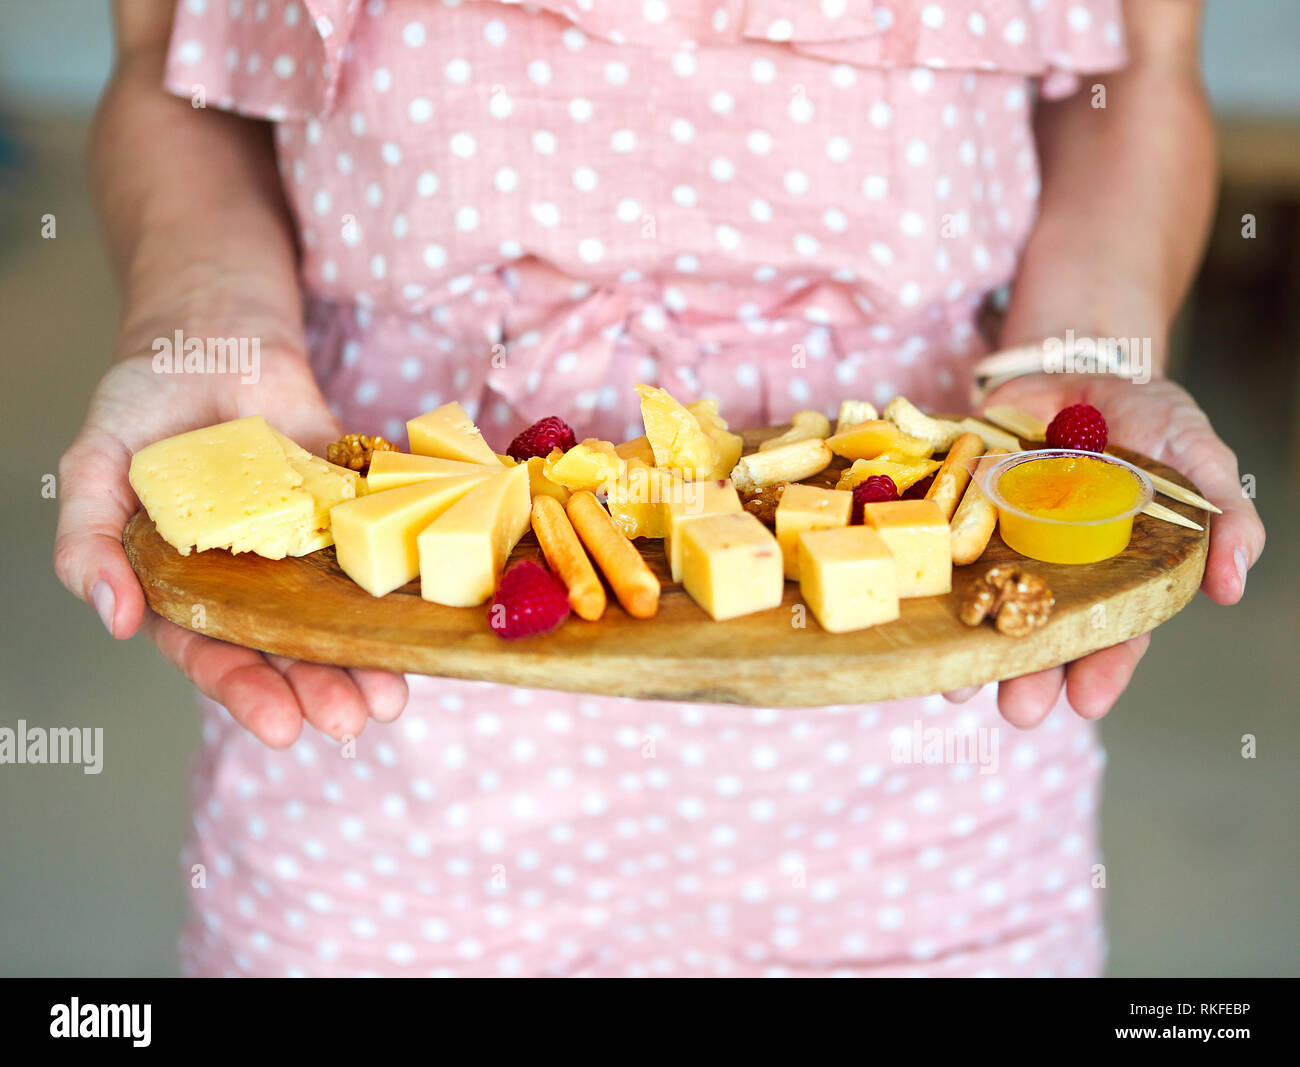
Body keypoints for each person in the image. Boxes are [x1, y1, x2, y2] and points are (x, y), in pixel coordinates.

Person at [56, 0, 1264, 976]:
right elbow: (171, 49)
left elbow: (1143, 63)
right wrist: (201, 321)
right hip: (384, 676)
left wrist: (1081, 364)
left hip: (919, 663)